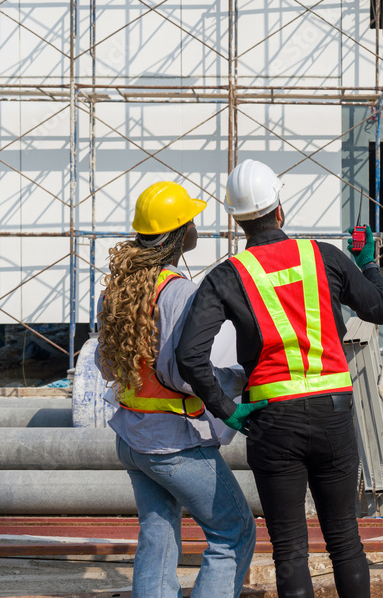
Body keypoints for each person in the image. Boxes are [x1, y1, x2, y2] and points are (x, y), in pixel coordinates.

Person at [176, 159, 383, 598]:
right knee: (345, 542)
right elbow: (379, 310)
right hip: (333, 415)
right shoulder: (324, 256)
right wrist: (368, 264)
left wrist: (228, 411)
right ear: (280, 209)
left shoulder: (227, 275)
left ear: (238, 221)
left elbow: (189, 355)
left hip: (272, 421)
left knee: (290, 551)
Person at [96, 180, 257, 598]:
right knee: (233, 533)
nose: (196, 227)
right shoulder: (179, 292)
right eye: (191, 220)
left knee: (159, 534)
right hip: (175, 443)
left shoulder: (118, 290)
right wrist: (238, 379)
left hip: (133, 437)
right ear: (179, 234)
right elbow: (187, 371)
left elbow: (105, 363)